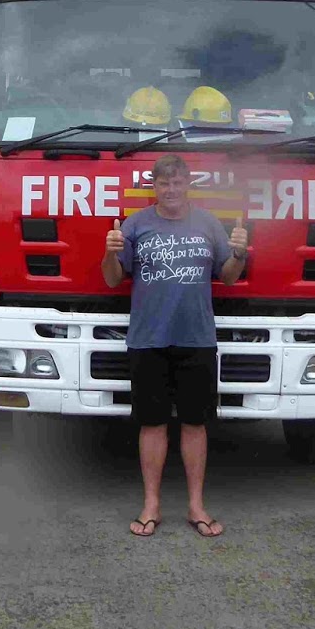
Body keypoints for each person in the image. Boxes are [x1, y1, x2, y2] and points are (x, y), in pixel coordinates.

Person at [103, 153, 248, 538]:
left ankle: (196, 506)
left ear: (187, 185)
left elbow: (229, 279)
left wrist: (239, 253)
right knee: (151, 424)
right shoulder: (135, 225)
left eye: (178, 182)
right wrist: (110, 251)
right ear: (154, 185)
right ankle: (151, 505)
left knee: (194, 424)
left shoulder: (208, 224)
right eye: (164, 183)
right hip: (148, 339)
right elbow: (114, 280)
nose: (171, 189)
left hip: (197, 337)